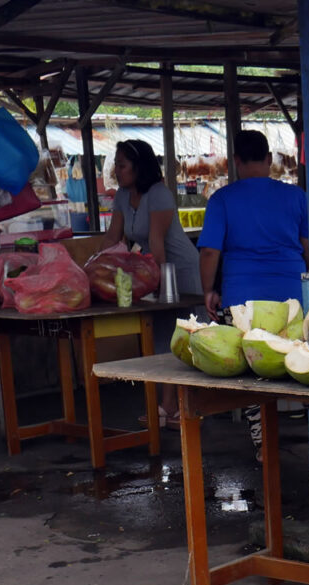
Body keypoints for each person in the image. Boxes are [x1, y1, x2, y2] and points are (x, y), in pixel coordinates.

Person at [198, 130, 309, 458]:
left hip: (242, 301)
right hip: (292, 298)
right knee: (301, 363)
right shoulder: (297, 197)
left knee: (250, 370)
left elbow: (208, 254)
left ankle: (264, 443)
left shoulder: (222, 199)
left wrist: (208, 291)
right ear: (269, 159)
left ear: (236, 162)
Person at [102, 139, 201, 427]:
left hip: (179, 268)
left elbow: (157, 243)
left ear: (138, 166)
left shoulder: (159, 194)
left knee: (184, 336)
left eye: (122, 165)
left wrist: (153, 282)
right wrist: (94, 264)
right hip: (153, 267)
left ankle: (183, 407)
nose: (117, 171)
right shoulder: (122, 195)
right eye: (116, 165)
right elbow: (113, 237)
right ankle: (170, 407)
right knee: (162, 339)